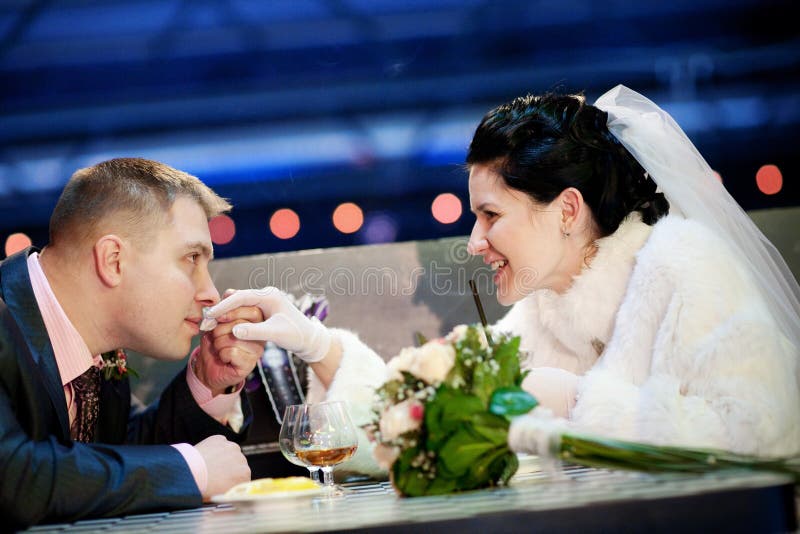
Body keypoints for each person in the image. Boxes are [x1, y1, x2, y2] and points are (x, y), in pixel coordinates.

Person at [206, 85, 800, 467]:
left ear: (568, 210)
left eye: (492, 216)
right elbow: (415, 426)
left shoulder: (686, 267)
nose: (474, 242)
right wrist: (314, 343)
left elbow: (763, 438)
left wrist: (576, 401)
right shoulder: (546, 307)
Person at [0, 158, 268, 529]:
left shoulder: (103, 346)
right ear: (114, 260)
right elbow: (12, 478)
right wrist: (190, 469)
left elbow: (118, 458)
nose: (210, 294)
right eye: (192, 258)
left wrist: (208, 383)